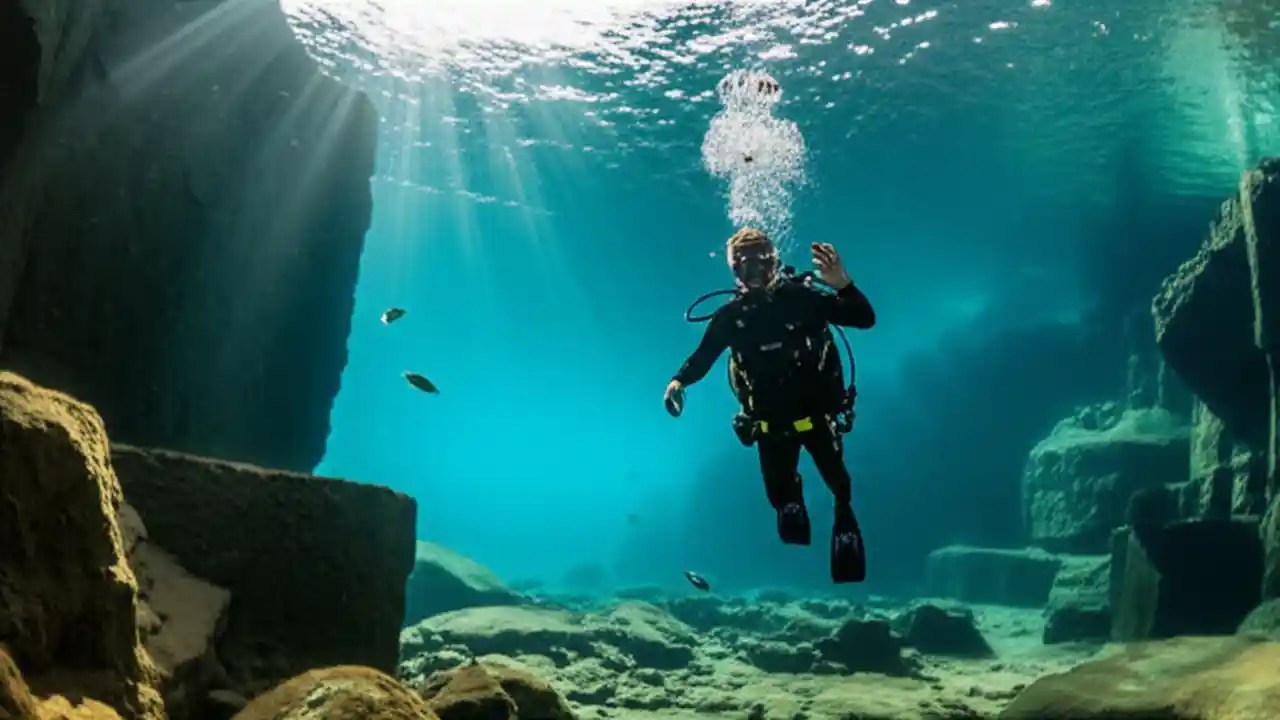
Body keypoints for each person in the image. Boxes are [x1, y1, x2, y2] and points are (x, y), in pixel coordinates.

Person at [663, 228, 876, 583]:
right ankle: (794, 506)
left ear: (774, 261)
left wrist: (842, 284)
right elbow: (703, 357)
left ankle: (843, 519)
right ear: (734, 271)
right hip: (769, 424)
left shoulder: (803, 299)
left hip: (817, 414)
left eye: (760, 262)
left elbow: (863, 319)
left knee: (838, 484)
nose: (754, 273)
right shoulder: (731, 317)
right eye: (743, 266)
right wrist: (678, 382)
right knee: (782, 500)